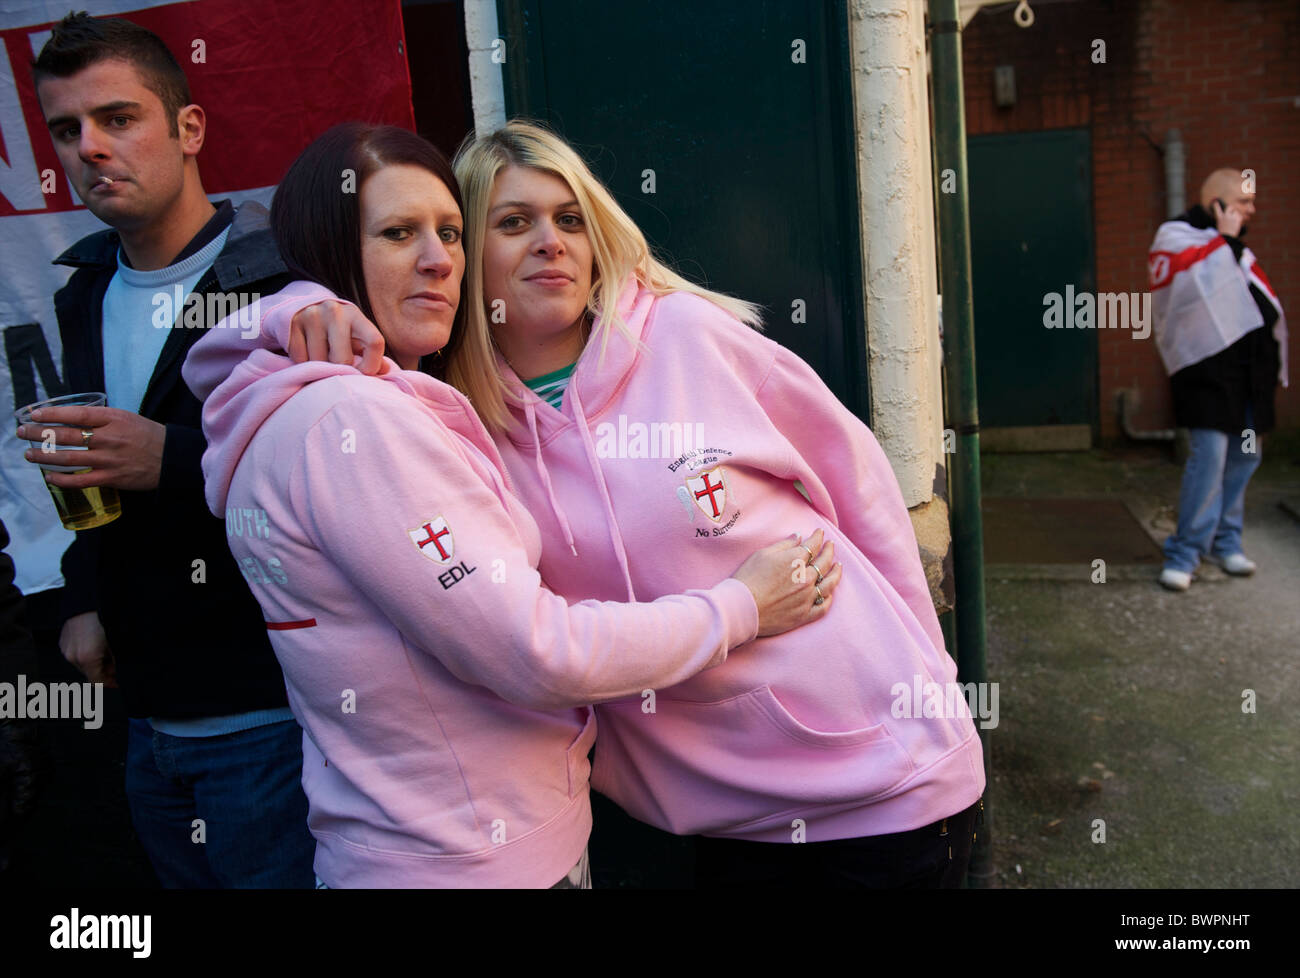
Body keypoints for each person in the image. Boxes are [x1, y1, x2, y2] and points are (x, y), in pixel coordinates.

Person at [264, 120, 985, 888]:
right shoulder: (451, 420)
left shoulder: (683, 334)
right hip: (708, 810)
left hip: (885, 783)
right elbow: (249, 360)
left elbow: (858, 479)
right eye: (514, 223)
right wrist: (291, 308)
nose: (551, 241)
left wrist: (929, 678)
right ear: (468, 256)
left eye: (569, 218)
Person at [19, 13, 314, 887]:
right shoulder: (84, 287)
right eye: (67, 130)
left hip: (274, 716)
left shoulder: (280, 275)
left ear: (188, 130)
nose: (91, 149)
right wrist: (82, 595)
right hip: (147, 724)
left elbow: (347, 480)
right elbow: (94, 483)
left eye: (118, 119)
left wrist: (176, 460)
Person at [1150, 168, 1288, 592]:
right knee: (1209, 458)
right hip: (1208, 377)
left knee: (1245, 457)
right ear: (1219, 205)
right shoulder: (1177, 237)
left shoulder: (1236, 251)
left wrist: (1228, 244)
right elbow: (1190, 294)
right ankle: (1185, 551)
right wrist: (1223, 240)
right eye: (1244, 203)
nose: (1251, 210)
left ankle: (1225, 542)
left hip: (1249, 378)